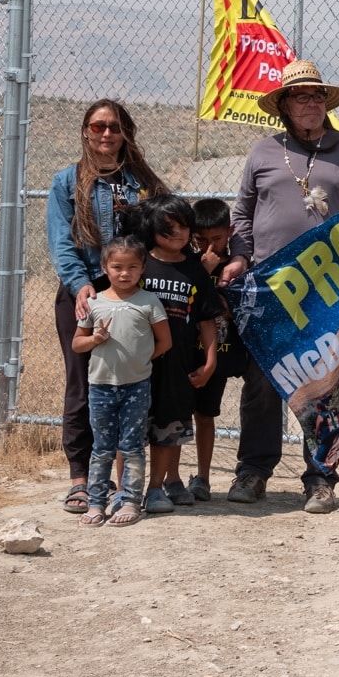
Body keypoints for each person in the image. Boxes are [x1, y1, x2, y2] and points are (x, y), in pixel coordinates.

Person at [214, 60, 339, 513]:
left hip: (333, 289)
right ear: (284, 106)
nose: (311, 103)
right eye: (301, 97)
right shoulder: (263, 152)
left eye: (317, 96)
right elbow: (242, 214)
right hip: (272, 288)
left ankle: (321, 478)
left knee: (326, 383)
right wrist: (239, 257)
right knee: (264, 380)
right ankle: (253, 471)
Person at [45, 99, 168, 516]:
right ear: (85, 131)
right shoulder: (67, 182)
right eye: (97, 127)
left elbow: (165, 225)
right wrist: (79, 286)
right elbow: (62, 243)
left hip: (136, 296)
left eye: (113, 127)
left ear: (125, 132)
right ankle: (82, 478)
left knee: (136, 382)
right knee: (84, 383)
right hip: (87, 294)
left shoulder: (142, 181)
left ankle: (133, 483)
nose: (105, 134)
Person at [126, 196, 220, 516]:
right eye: (169, 228)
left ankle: (158, 487)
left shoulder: (194, 270)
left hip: (178, 364)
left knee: (170, 425)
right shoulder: (138, 265)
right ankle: (128, 489)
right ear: (152, 230)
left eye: (183, 226)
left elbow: (207, 321)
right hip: (137, 364)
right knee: (133, 426)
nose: (178, 233)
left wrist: (210, 361)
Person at [71, 235, 170, 528]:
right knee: (102, 448)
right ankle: (96, 503)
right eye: (117, 267)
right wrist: (94, 339)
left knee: (131, 446)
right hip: (100, 386)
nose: (124, 273)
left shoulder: (148, 302)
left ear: (142, 269)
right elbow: (77, 344)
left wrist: (141, 360)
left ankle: (129, 500)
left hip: (136, 386)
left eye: (132, 267)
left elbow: (164, 341)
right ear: (104, 268)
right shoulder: (94, 303)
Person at [187, 197, 246, 501]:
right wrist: (200, 270)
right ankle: (174, 478)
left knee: (205, 414)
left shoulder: (237, 268)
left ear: (230, 232)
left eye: (217, 239)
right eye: (200, 240)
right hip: (187, 353)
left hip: (219, 355)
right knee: (179, 414)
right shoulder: (188, 264)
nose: (209, 248)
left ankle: (203, 477)